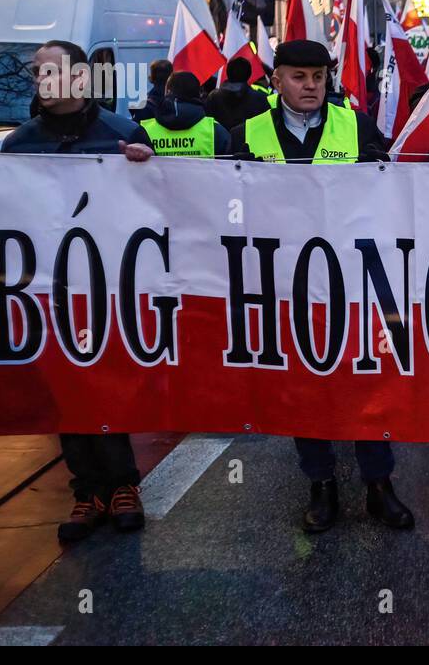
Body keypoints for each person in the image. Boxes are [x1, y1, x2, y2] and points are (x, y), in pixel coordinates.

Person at [0, 40, 156, 542]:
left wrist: (149, 167)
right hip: (47, 289)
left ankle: (122, 485)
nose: (40, 81)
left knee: (104, 380)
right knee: (64, 385)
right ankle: (87, 491)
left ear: (80, 79)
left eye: (51, 71)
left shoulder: (122, 134)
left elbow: (156, 208)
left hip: (108, 286)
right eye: (37, 73)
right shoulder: (20, 143)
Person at [228, 39, 413, 534]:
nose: (310, 86)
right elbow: (217, 200)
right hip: (284, 286)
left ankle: (379, 485)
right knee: (303, 389)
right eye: (298, 77)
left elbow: (388, 188)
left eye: (318, 77)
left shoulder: (355, 125)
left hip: (353, 283)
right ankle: (322, 485)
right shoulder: (245, 135)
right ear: (276, 80)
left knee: (365, 382)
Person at [140, 71, 232, 158]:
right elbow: (231, 169)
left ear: (167, 92)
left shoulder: (145, 130)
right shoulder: (215, 131)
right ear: (199, 94)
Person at [205, 56, 273, 132]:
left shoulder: (213, 98)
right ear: (249, 74)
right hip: (249, 142)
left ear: (227, 73)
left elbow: (207, 126)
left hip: (220, 142)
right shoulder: (261, 99)